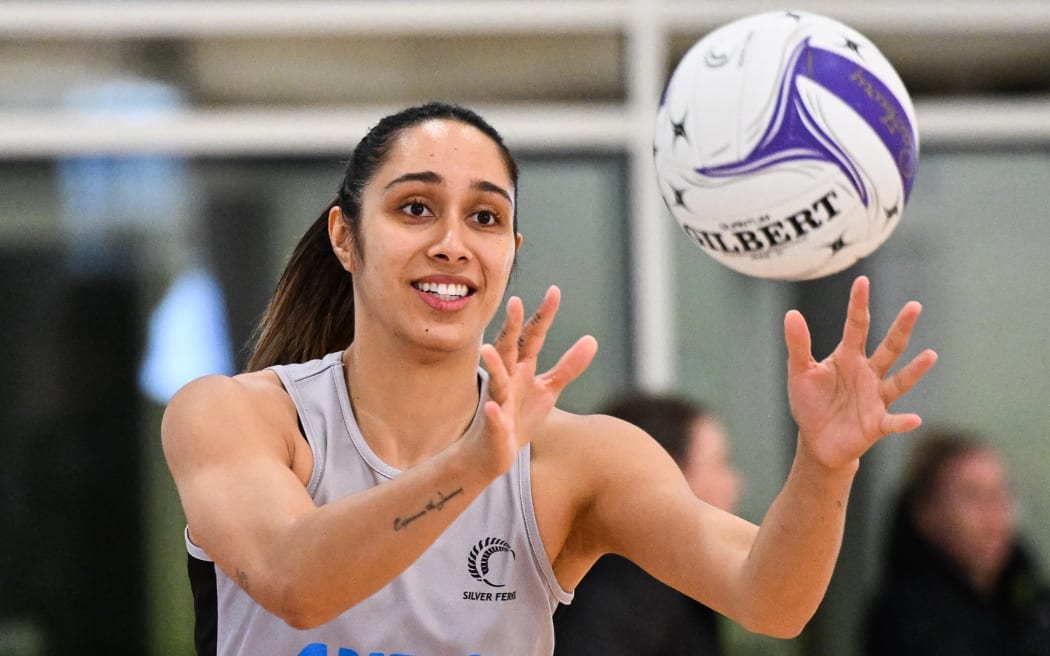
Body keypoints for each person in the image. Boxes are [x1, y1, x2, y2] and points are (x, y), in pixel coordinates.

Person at [160, 101, 938, 656]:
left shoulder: (577, 460)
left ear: (512, 250)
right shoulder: (238, 416)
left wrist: (825, 464)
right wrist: (469, 469)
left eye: (486, 218)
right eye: (415, 208)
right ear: (345, 236)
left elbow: (769, 599)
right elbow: (295, 581)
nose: (453, 243)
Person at [553, 393, 740, 655]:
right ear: (665, 473)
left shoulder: (672, 586)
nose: (734, 486)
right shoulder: (625, 598)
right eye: (719, 464)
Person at [863, 429, 1050, 656]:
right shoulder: (903, 622)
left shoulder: (1030, 600)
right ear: (926, 514)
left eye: (1001, 491)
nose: (995, 510)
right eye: (972, 495)